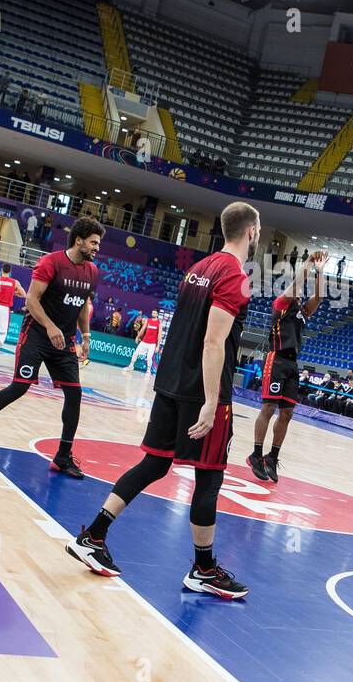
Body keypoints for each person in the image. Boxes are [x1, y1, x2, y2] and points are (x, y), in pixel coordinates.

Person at [67, 202, 259, 599]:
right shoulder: (236, 275)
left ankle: (94, 535)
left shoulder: (197, 269)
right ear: (252, 232)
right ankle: (204, 569)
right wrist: (211, 401)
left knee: (154, 463)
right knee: (210, 477)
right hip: (201, 390)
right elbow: (212, 341)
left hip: (170, 383)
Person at [0, 217, 105, 477]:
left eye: (98, 243)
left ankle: (62, 455)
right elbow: (32, 301)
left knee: (75, 394)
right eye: (93, 242)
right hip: (36, 334)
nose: (97, 248)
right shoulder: (52, 262)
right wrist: (50, 326)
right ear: (79, 240)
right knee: (20, 386)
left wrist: (87, 336)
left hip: (64, 340)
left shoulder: (92, 271)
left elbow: (81, 305)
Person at [250, 250, 326, 483]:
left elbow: (319, 297)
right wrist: (308, 263)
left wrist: (321, 272)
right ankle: (256, 454)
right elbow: (296, 282)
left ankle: (272, 457)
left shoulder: (301, 313)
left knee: (288, 413)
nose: (300, 292)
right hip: (277, 358)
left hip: (292, 363)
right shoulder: (281, 304)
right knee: (269, 408)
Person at [124, 308, 163, 378]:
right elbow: (142, 329)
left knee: (149, 357)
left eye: (154, 313)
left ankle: (148, 371)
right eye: (152, 313)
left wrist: (157, 346)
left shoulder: (159, 323)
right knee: (136, 353)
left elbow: (159, 335)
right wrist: (137, 337)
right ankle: (131, 366)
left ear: (157, 314)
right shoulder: (148, 320)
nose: (153, 314)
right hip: (144, 341)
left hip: (152, 344)